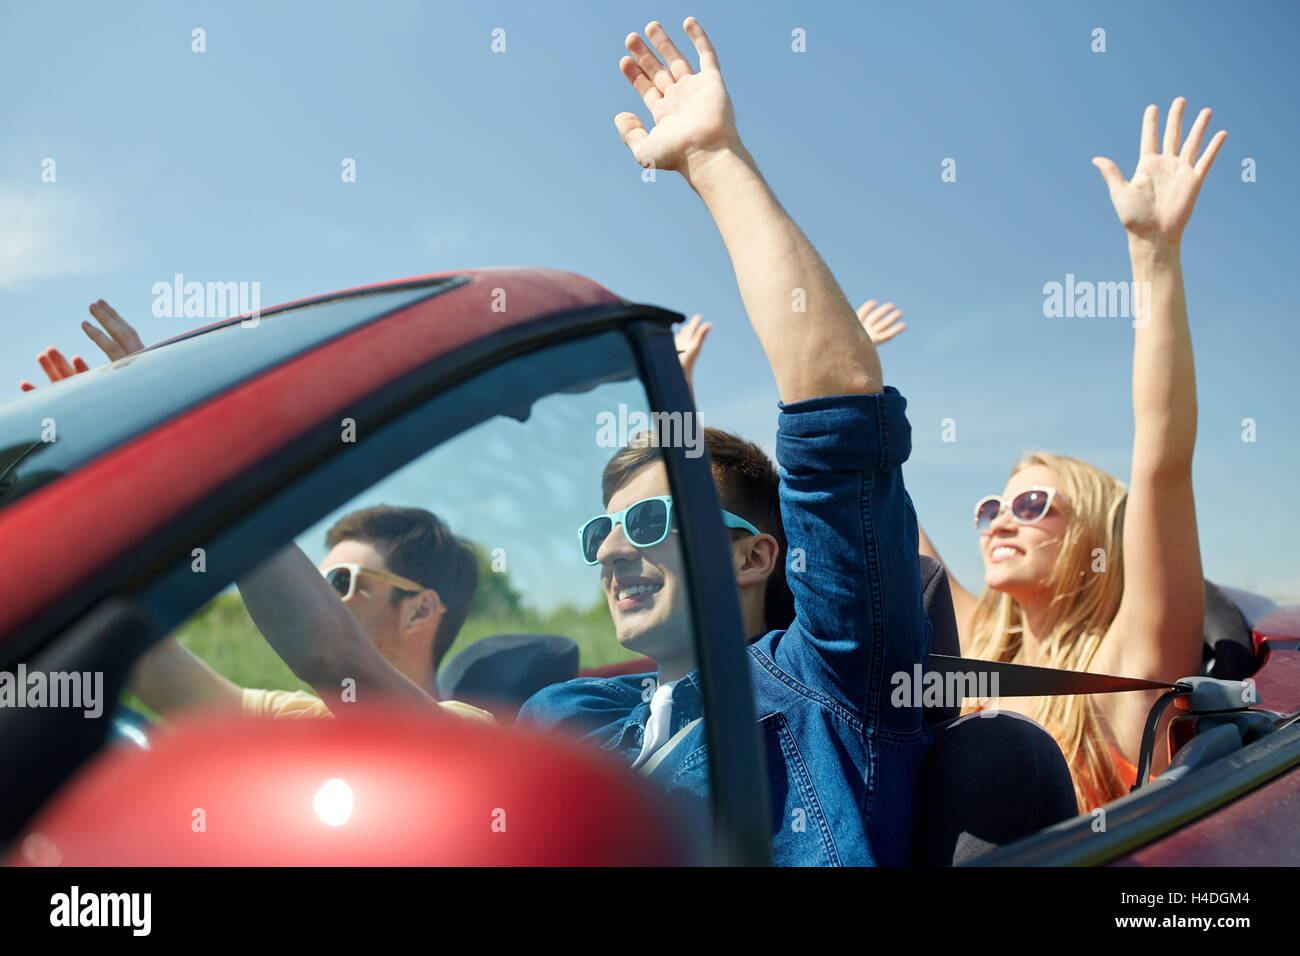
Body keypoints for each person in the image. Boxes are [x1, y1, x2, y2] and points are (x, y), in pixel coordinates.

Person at [515, 18, 931, 866]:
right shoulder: (565, 715)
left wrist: (712, 160)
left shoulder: (827, 683)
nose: (611, 555)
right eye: (604, 532)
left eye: (646, 526)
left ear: (754, 558)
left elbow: (838, 409)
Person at [918, 97, 1227, 809]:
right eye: (993, 505)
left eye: (1031, 505)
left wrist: (1153, 256)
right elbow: (882, 504)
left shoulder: (1125, 669)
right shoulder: (984, 651)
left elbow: (1161, 460)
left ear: (1094, 531)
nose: (999, 520)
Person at [21, 309, 491, 723]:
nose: (320, 597)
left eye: (338, 583)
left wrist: (180, 436)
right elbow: (148, 662)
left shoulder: (462, 735)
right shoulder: (298, 718)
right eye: (317, 578)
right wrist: (96, 479)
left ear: (419, 611)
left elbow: (330, 651)